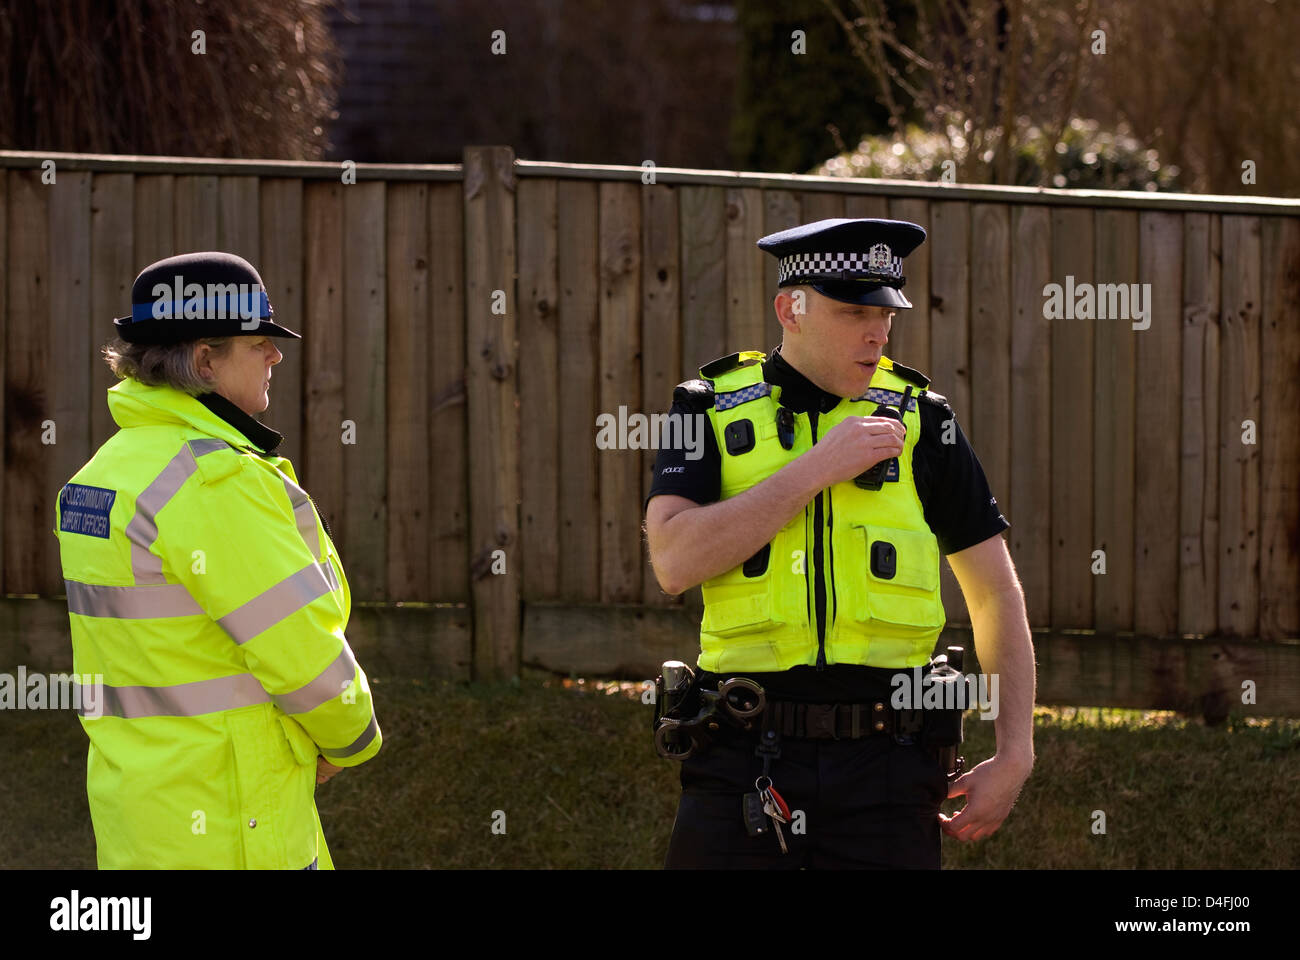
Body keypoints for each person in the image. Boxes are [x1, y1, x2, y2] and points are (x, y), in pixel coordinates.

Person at [645, 218, 1035, 869]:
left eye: (885, 312)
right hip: (742, 757)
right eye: (854, 311)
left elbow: (995, 593)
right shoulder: (706, 410)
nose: (877, 332)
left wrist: (1016, 750)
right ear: (788, 309)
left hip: (890, 770)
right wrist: (816, 468)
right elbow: (674, 563)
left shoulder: (925, 422)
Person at [54, 252, 381, 869]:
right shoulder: (213, 479)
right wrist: (352, 739)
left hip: (141, 820)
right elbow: (297, 645)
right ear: (206, 360)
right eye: (258, 343)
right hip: (234, 826)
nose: (275, 356)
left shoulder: (99, 479)